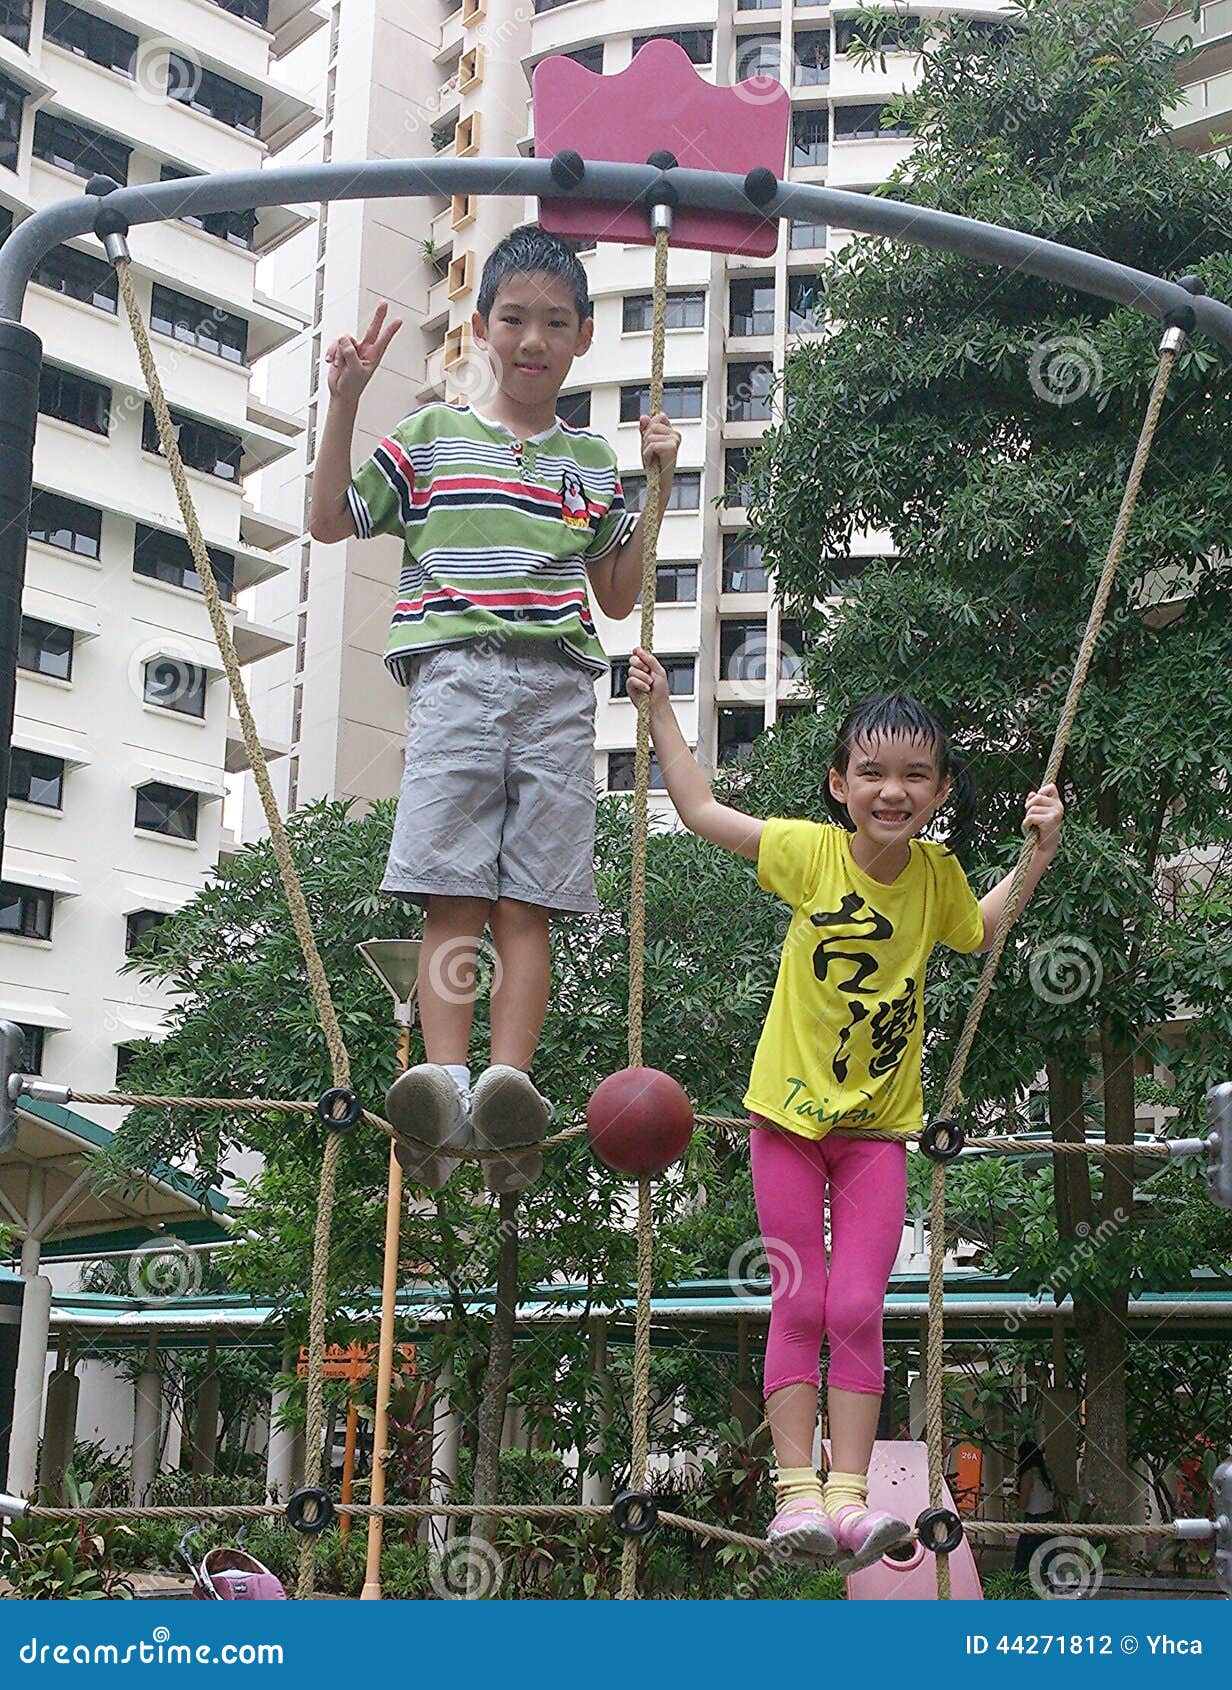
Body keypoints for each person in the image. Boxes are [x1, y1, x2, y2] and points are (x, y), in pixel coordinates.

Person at [626, 649, 1064, 1571]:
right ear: (839, 783)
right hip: (785, 1121)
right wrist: (663, 710)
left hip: (874, 1132)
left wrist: (1038, 856)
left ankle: (852, 1497)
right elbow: (702, 811)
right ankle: (796, 1497)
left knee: (861, 1303)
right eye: (872, 772)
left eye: (915, 775)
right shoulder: (810, 852)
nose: (892, 790)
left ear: (941, 789)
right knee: (803, 1294)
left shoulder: (937, 876)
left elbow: (981, 930)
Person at [309, 226, 680, 1194]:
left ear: (583, 338)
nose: (532, 339)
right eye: (513, 318)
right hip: (457, 679)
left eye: (554, 323)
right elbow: (326, 518)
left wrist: (656, 487)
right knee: (454, 894)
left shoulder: (588, 460)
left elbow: (613, 591)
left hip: (557, 687)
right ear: (479, 328)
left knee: (530, 903)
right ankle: (439, 1081)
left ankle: (507, 1085)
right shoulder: (433, 436)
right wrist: (345, 397)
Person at [1014, 1439, 1058, 1579]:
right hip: (1050, 1520)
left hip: (1034, 1521)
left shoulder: (1028, 1475)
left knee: (1023, 1563)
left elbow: (1023, 1504)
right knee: (1047, 1562)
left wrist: (1014, 1498)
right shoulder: (1047, 1474)